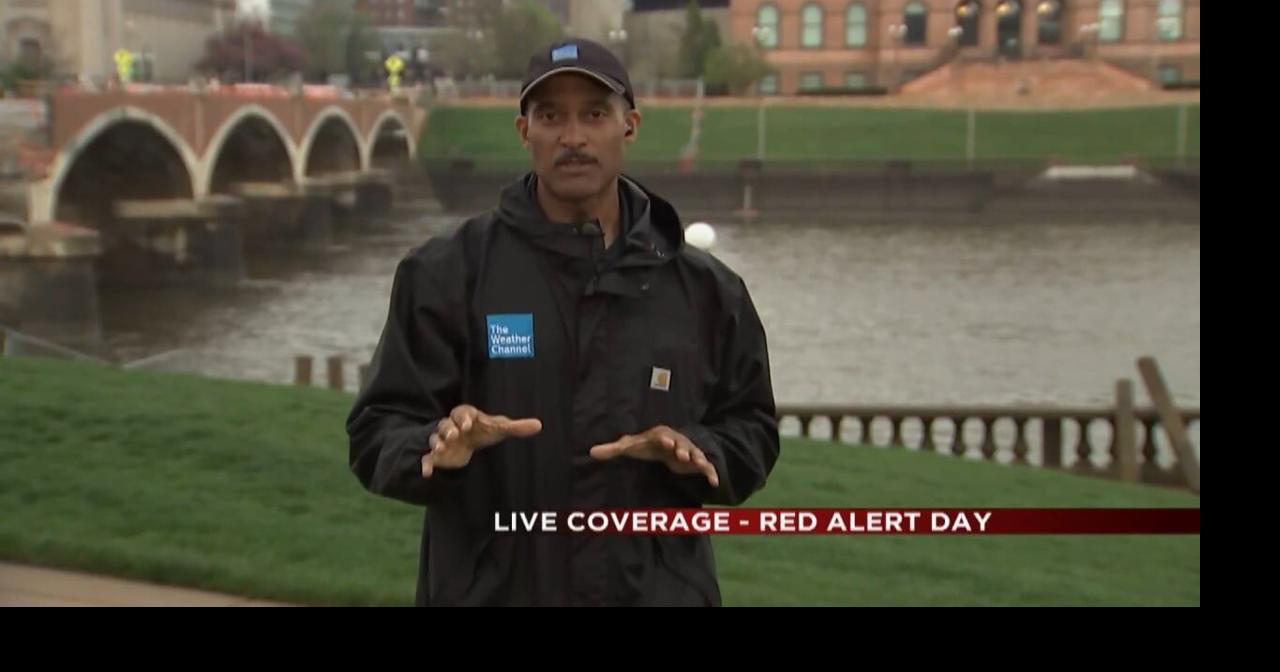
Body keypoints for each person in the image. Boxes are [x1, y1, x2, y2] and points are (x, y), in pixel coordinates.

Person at [347, 37, 780, 607]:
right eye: (551, 116)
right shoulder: (446, 272)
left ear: (629, 126)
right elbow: (378, 429)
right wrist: (434, 445)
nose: (573, 137)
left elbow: (752, 429)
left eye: (594, 114)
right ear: (525, 131)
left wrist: (700, 451)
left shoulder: (706, 290)